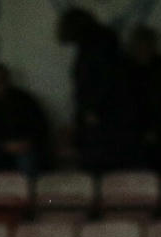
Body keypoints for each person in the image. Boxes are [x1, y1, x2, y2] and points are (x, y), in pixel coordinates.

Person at [58, 6, 131, 172]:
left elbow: (103, 81)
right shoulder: (103, 44)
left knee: (97, 165)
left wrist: (92, 108)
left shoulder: (97, 47)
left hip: (102, 118)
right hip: (105, 117)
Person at [123, 25, 161, 174]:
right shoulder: (125, 76)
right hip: (133, 142)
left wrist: (155, 130)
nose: (142, 50)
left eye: (145, 46)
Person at [0, 64, 49, 176]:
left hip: (23, 148)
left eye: (1, 79)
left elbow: (39, 127)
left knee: (29, 164)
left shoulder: (24, 101)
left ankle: (30, 193)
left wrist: (25, 143)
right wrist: (3, 145)